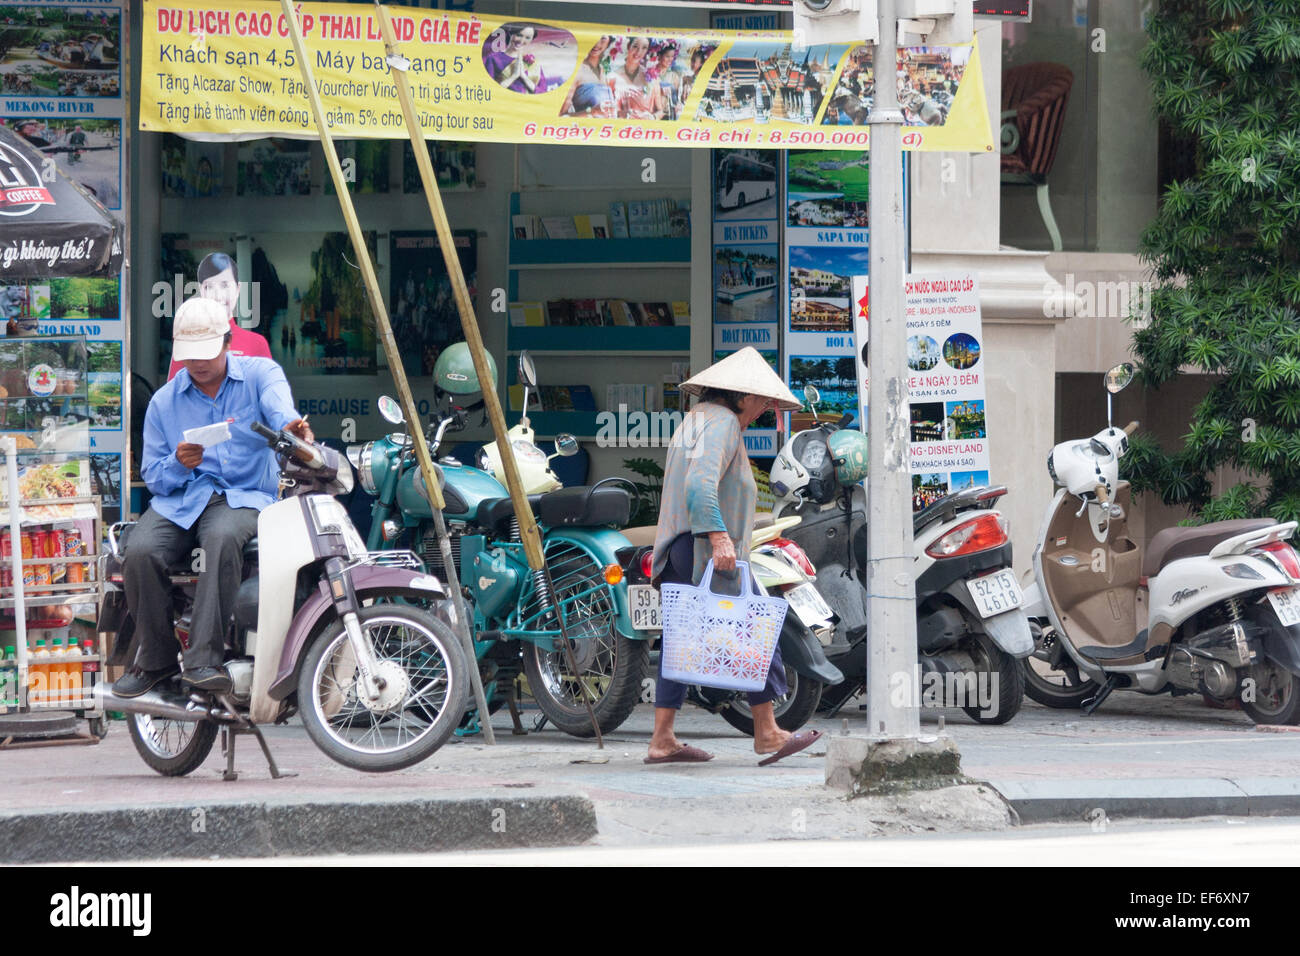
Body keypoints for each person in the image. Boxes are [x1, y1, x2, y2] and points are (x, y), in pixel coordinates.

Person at [113, 297, 314, 697]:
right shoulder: (164, 402)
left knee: (223, 538)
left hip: (242, 497)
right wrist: (178, 463)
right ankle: (155, 659)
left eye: (206, 354)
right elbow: (154, 477)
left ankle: (205, 660)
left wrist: (292, 429)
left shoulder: (259, 375)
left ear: (226, 342)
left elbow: (280, 411)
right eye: (190, 356)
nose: (199, 364)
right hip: (182, 499)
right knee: (138, 550)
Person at [645, 347, 822, 766]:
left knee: (685, 642)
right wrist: (721, 538)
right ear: (741, 396)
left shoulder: (698, 419)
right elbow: (699, 485)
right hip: (701, 549)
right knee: (754, 630)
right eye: (762, 401)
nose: (765, 409)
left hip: (686, 548)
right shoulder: (722, 422)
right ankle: (765, 732)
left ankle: (665, 738)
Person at [167, 252, 271, 381]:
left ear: (238, 289)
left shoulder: (256, 344)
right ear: (201, 291)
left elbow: (268, 396)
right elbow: (173, 397)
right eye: (209, 286)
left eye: (224, 285)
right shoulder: (187, 342)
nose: (218, 296)